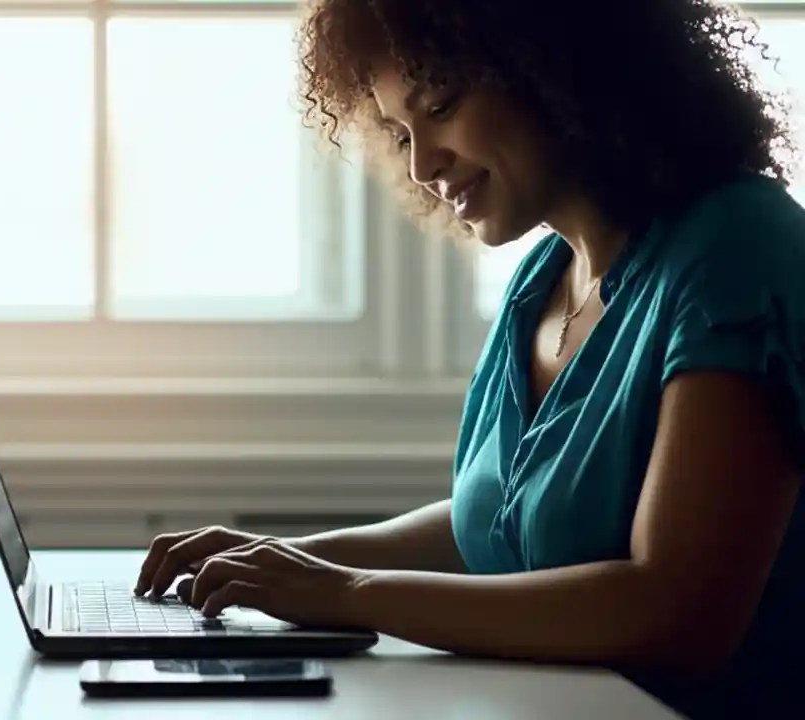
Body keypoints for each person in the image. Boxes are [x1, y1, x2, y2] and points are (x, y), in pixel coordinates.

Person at [134, 1, 805, 717]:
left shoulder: (738, 246)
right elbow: (499, 532)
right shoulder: (543, 280)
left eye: (441, 107)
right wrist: (287, 561)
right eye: (401, 132)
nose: (421, 164)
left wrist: (347, 593)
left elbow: (679, 612)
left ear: (556, 66)